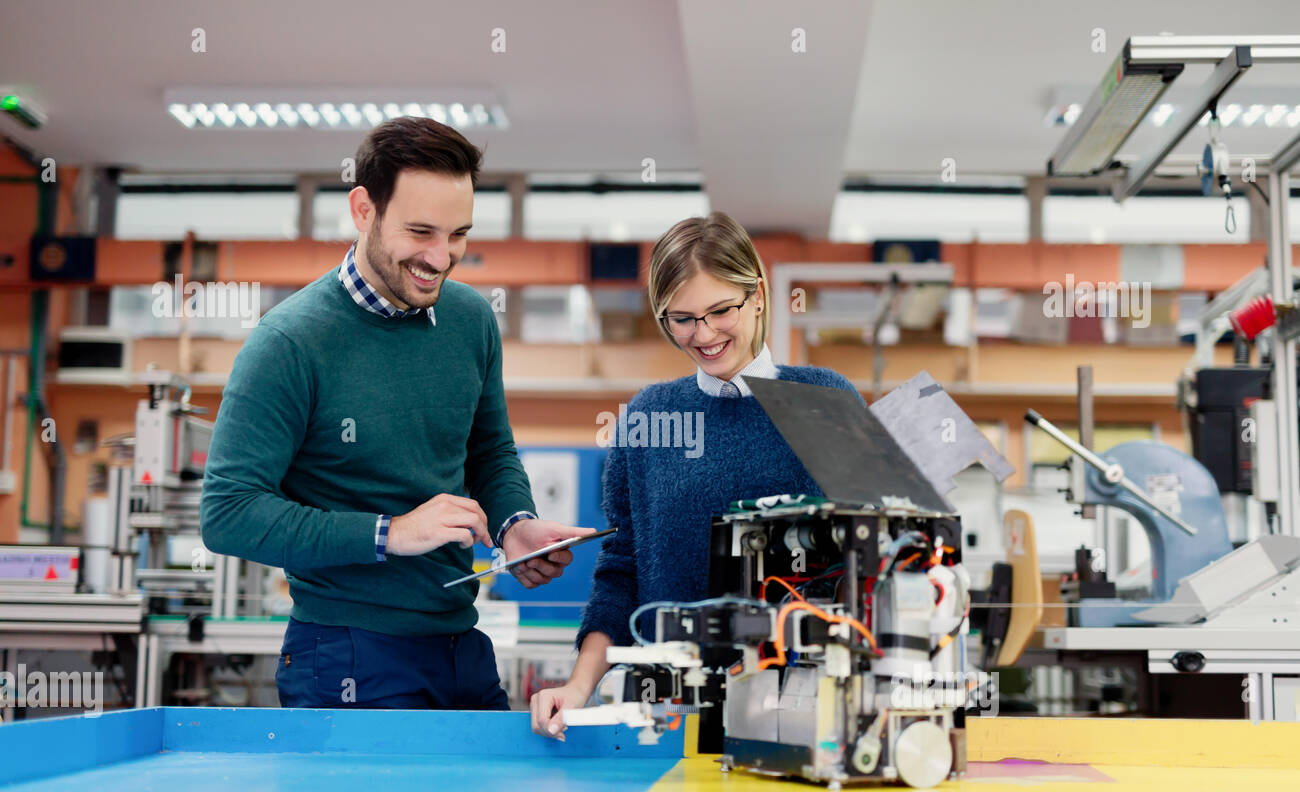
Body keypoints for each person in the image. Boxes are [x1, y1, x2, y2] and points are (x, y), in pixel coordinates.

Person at [201, 117, 592, 710]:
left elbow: (489, 451)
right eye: (420, 231)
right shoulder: (289, 341)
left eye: (459, 234)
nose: (442, 258)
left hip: (461, 643)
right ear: (364, 210)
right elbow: (227, 514)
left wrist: (516, 526)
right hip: (344, 653)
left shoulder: (470, 321)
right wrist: (391, 533)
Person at [531, 212, 862, 737]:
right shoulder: (649, 417)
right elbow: (622, 570)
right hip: (669, 709)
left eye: (719, 310)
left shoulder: (823, 399)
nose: (703, 335)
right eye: (681, 319)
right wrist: (578, 687)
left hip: (803, 706)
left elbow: (873, 558)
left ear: (756, 294)